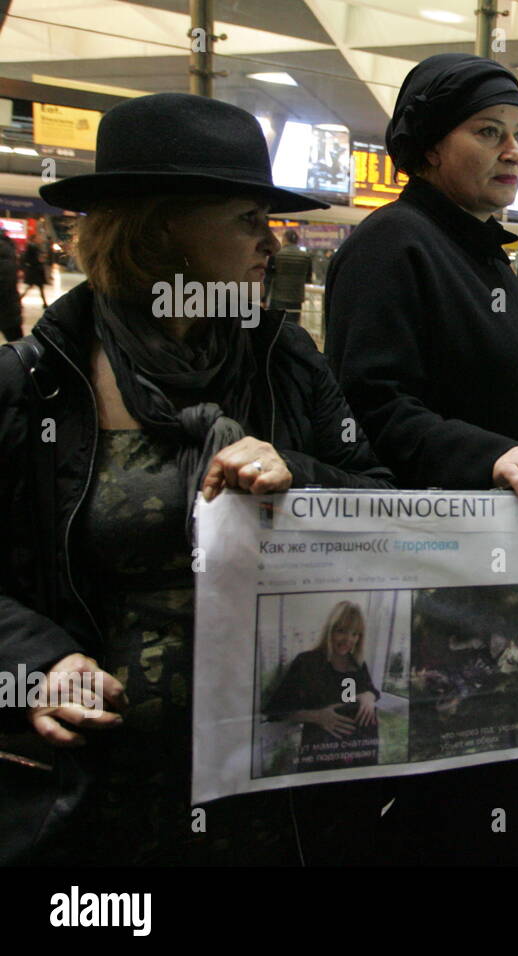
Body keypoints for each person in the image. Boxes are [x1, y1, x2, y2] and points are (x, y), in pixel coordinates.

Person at [0, 92, 394, 866]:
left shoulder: (282, 357)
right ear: (163, 229)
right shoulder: (39, 379)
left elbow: (378, 494)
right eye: (248, 219)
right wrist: (39, 662)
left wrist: (299, 477)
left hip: (273, 773)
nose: (272, 241)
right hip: (105, 785)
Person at [325, 53, 518, 865]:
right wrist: (500, 454)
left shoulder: (476, 248)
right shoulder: (394, 244)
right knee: (467, 808)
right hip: (447, 579)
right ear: (430, 146)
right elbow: (372, 409)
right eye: (488, 132)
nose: (512, 151)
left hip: (510, 567)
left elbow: (476, 381)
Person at [264, 600, 381, 772]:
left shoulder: (357, 665)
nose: (349, 640)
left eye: (355, 634)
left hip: (357, 754)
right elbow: (276, 709)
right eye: (342, 631)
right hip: (320, 754)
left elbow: (371, 691)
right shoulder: (306, 662)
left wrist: (369, 696)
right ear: (330, 630)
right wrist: (317, 716)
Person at [266, 228, 313, 321]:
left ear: (285, 239)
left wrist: (264, 298)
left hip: (278, 297)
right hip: (296, 298)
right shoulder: (306, 256)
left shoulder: (276, 254)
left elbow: (269, 277)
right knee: (293, 326)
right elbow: (308, 278)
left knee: (276, 326)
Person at [0, 232, 21, 342]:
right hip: (9, 309)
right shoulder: (7, 249)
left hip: (6, 309)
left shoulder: (3, 252)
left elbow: (4, 282)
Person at [20, 237, 48, 307]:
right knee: (39, 287)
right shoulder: (32, 248)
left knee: (33, 287)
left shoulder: (32, 247)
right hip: (35, 271)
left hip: (35, 271)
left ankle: (44, 303)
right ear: (34, 239)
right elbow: (33, 259)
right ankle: (44, 303)